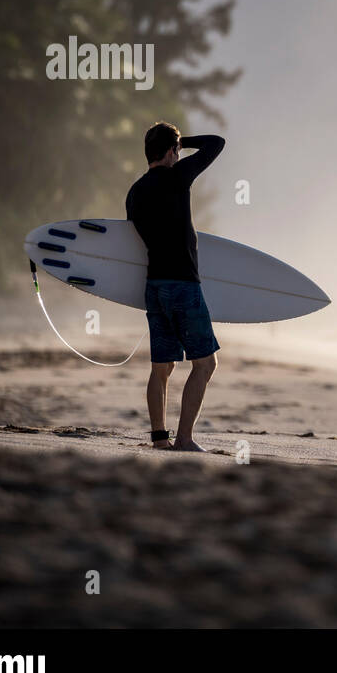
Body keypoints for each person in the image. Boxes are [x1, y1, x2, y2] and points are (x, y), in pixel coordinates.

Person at [125, 122, 225, 452]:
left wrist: (172, 143)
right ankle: (184, 439)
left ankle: (159, 439)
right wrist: (183, 142)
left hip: (154, 286)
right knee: (205, 364)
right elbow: (215, 143)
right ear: (171, 152)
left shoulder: (135, 193)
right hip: (183, 285)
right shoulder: (178, 176)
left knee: (162, 367)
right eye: (176, 150)